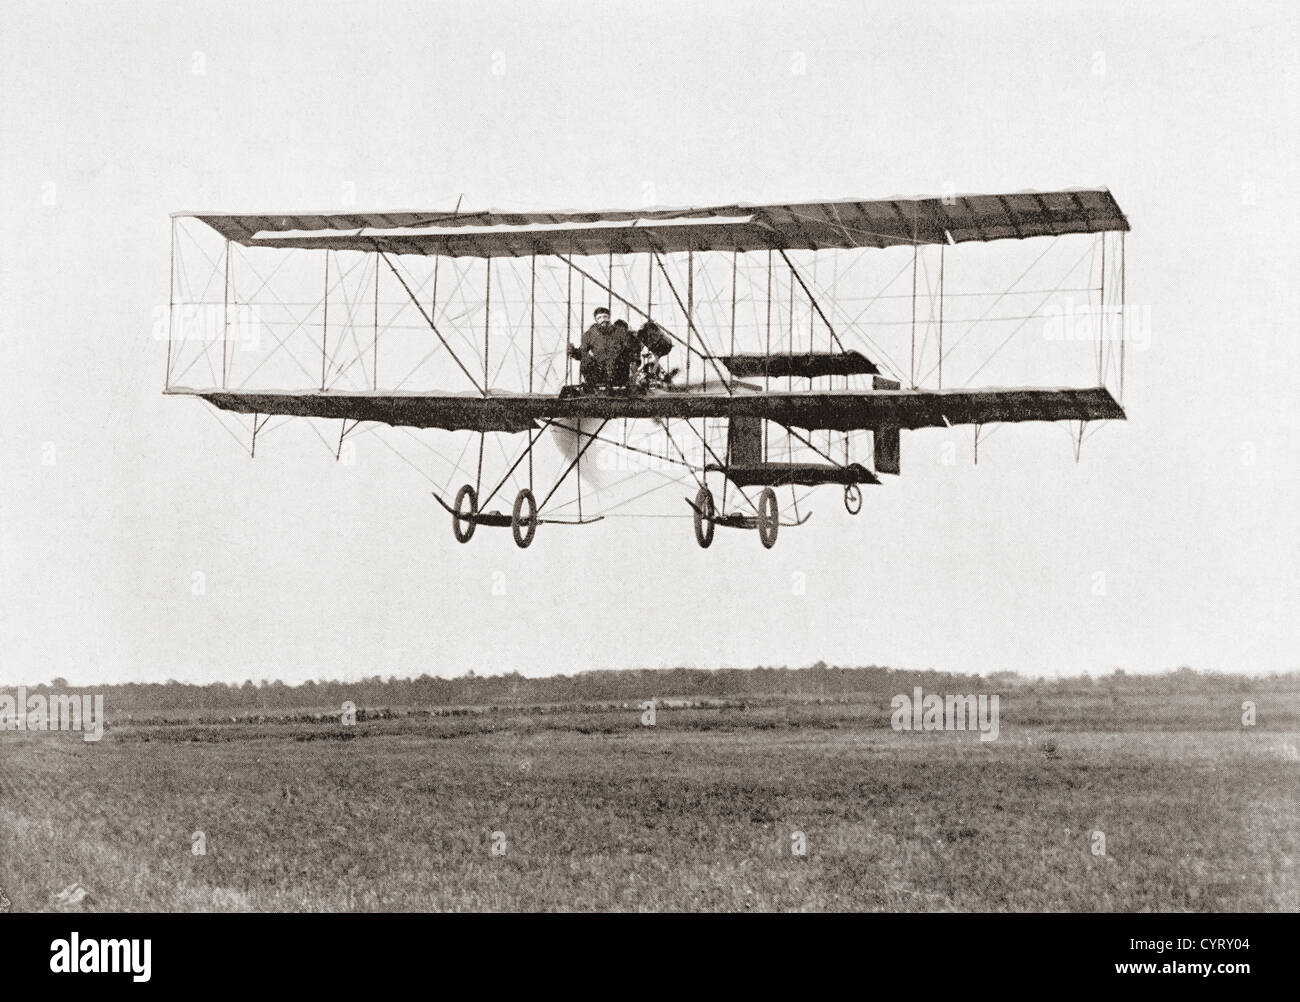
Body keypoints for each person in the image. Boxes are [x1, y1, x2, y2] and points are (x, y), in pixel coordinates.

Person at [568, 307, 614, 390]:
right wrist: (573, 352)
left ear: (609, 317)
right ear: (596, 320)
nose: (603, 320)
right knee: (586, 361)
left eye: (605, 317)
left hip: (615, 369)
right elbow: (582, 352)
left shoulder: (618, 333)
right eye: (599, 318)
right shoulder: (590, 335)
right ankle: (591, 387)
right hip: (598, 369)